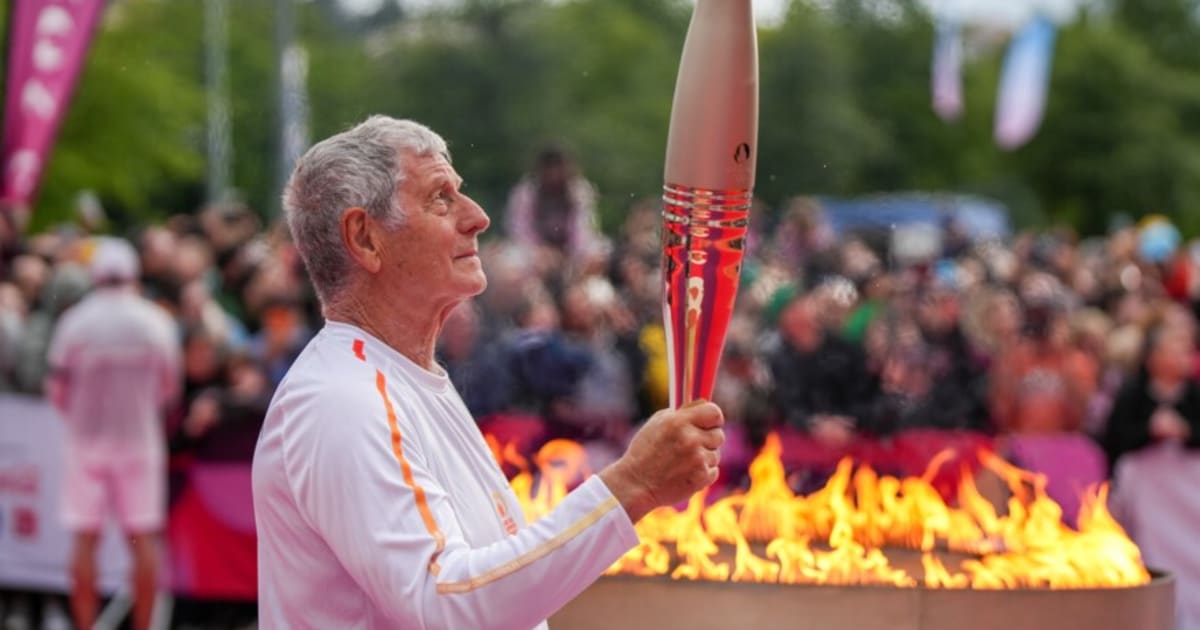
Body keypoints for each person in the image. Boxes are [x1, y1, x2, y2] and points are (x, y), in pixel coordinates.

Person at [253, 115, 725, 629]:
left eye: (461, 193)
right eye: (440, 198)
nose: (477, 217)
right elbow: (448, 605)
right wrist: (633, 485)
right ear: (365, 239)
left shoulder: (400, 377)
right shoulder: (343, 399)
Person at [45, 237, 182, 630]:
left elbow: (56, 390)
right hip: (139, 441)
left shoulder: (75, 322)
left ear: (95, 275)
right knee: (144, 542)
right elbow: (169, 389)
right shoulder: (155, 322)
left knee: (84, 541)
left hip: (85, 442)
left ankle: (85, 626)